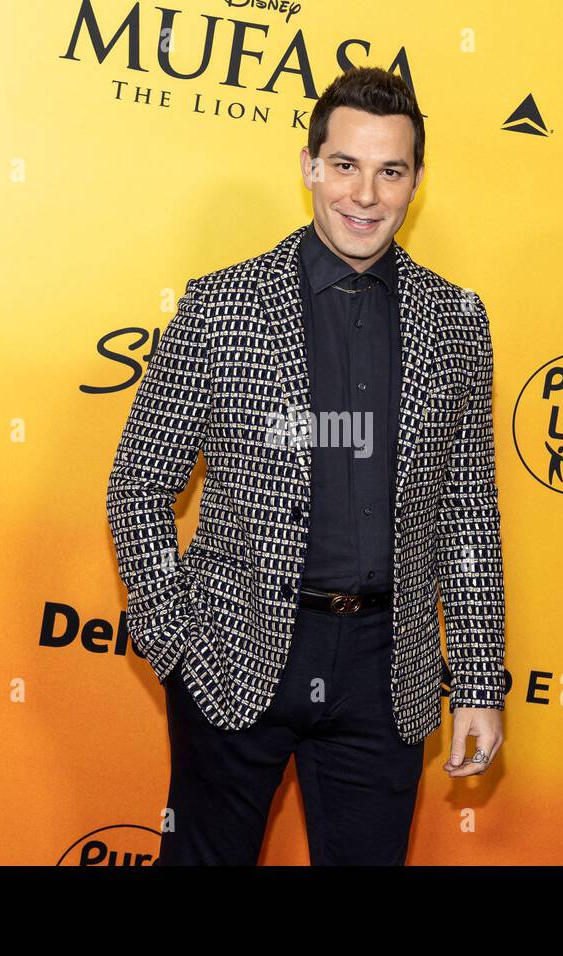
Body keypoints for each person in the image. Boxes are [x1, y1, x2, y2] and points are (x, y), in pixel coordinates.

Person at [106, 65, 506, 866]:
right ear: (310, 166)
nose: (366, 194)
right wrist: (174, 640)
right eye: (347, 166)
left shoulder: (458, 321)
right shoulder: (222, 305)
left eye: (390, 171)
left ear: (416, 182)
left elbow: (468, 511)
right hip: (235, 647)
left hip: (384, 672)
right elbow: (138, 482)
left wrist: (481, 680)